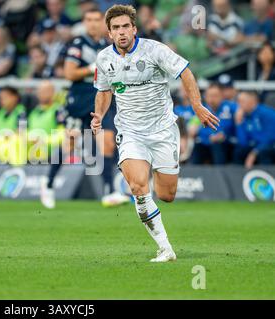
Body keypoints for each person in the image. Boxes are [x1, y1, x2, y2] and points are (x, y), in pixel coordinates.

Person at [90, 5, 219, 262]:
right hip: (129, 130)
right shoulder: (104, 59)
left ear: (134, 28)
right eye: (116, 28)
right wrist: (99, 115)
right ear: (109, 33)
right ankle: (165, 248)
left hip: (162, 130)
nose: (122, 32)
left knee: (166, 195)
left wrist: (197, 106)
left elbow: (185, 73)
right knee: (138, 186)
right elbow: (104, 90)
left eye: (126, 26)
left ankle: (156, 209)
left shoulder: (154, 49)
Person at [40, 8, 123, 209]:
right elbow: (69, 73)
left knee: (108, 143)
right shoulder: (78, 44)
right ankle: (48, 183)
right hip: (79, 100)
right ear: (85, 23)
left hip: (101, 99)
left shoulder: (106, 45)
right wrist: (91, 68)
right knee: (70, 142)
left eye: (97, 20)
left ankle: (110, 191)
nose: (93, 23)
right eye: (89, 20)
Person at [189, 83, 236, 165]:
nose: (212, 99)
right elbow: (193, 128)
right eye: (209, 96)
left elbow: (232, 125)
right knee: (197, 147)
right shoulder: (200, 110)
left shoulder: (231, 107)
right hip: (206, 141)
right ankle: (194, 175)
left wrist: (222, 135)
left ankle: (221, 175)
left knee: (217, 146)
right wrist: (209, 136)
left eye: (215, 96)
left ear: (221, 96)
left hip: (226, 142)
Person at [233, 91, 275, 168]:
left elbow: (270, 138)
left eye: (242, 101)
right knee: (239, 151)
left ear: (252, 101)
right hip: (255, 145)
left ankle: (266, 175)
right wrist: (239, 123)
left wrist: (255, 152)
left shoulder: (268, 113)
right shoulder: (244, 115)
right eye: (238, 101)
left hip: (269, 145)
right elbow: (243, 142)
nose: (239, 105)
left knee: (264, 152)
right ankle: (238, 176)